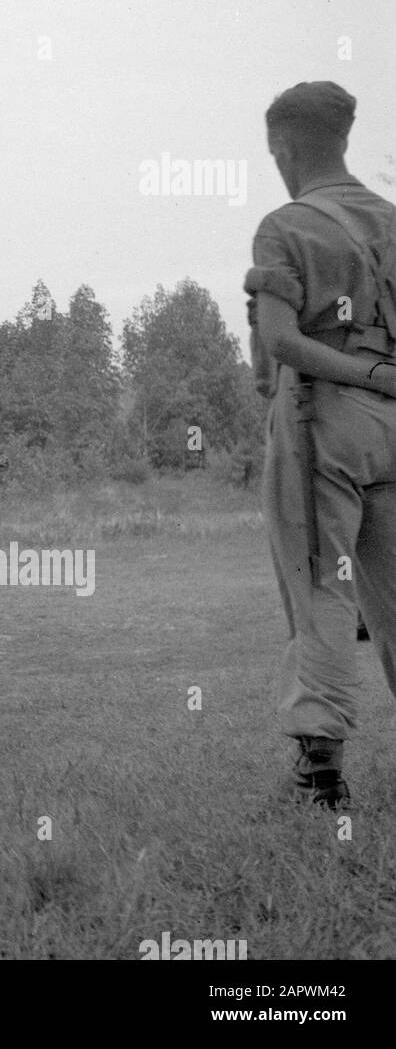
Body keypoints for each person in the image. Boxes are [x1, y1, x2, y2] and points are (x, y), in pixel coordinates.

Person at [244, 81, 396, 809]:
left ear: (282, 146)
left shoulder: (285, 226)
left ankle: (321, 769)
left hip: (322, 421)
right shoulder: (391, 219)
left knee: (321, 589)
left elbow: (278, 346)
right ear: (344, 138)